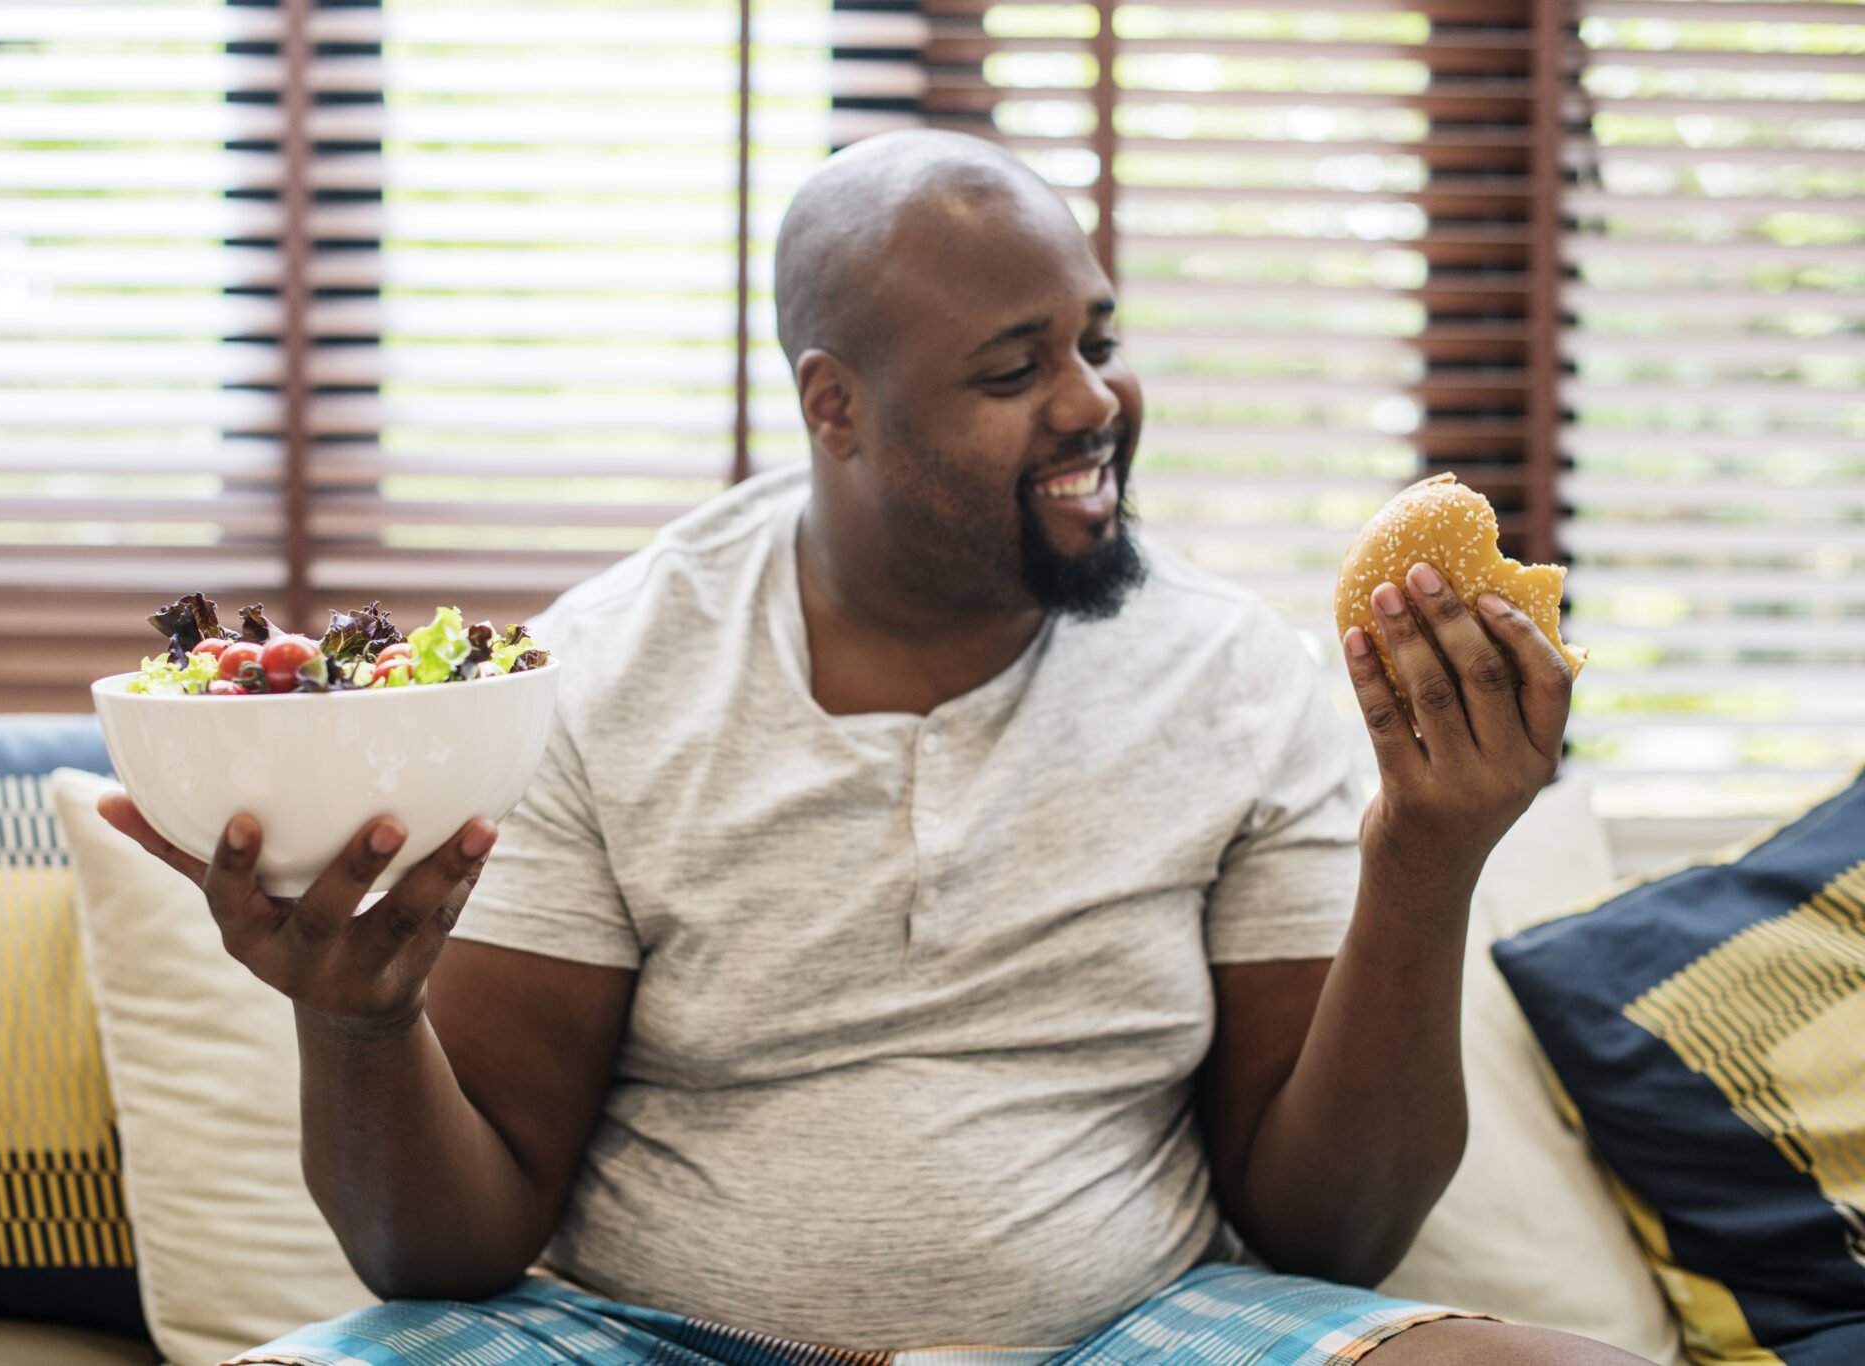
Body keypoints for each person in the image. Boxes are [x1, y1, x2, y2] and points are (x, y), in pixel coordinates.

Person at [102, 131, 1642, 1366]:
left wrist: (1425, 862)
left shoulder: (1238, 676)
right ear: (834, 407)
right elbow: (443, 1255)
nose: (1095, 403)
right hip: (642, 1336)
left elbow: (1334, 1234)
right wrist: (361, 1026)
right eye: (1013, 367)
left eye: (1096, 341)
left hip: (1134, 1333)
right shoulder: (611, 665)